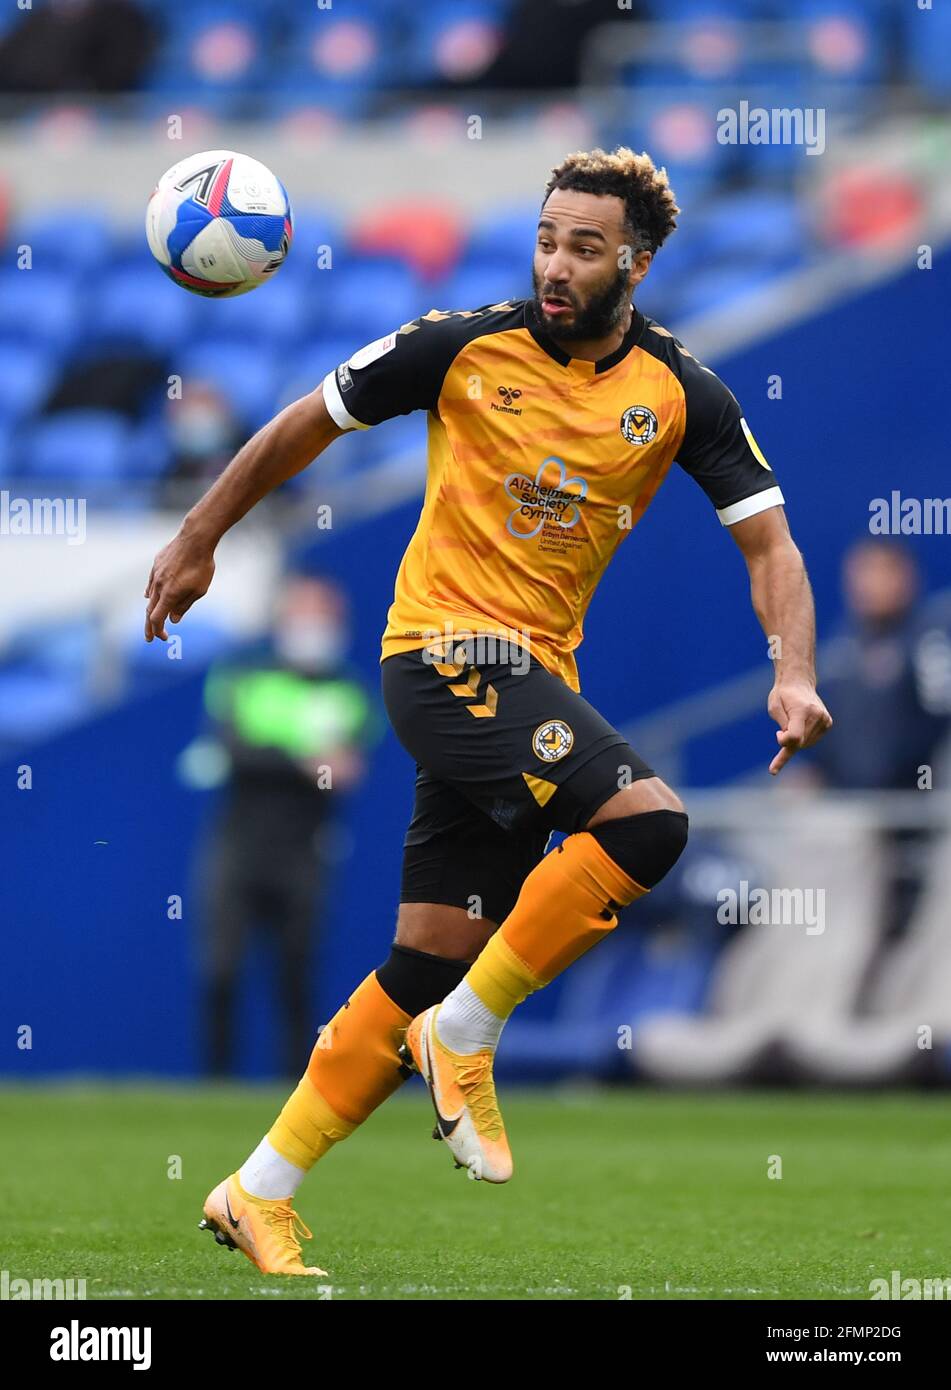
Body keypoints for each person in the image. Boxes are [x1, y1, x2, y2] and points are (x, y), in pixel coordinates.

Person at [143, 146, 832, 1276]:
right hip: (442, 654)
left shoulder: (681, 394)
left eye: (586, 247)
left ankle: (255, 1189)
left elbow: (771, 541)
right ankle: (466, 1034)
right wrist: (199, 536)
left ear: (638, 265)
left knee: (429, 954)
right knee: (649, 825)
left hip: (532, 681)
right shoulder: (458, 345)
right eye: (548, 238)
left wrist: (794, 670)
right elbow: (302, 424)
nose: (556, 265)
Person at [195, 572, 377, 1079]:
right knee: (220, 969)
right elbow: (233, 750)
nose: (313, 626)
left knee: (296, 973)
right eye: (304, 615)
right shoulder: (242, 676)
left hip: (306, 848)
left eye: (323, 617)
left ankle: (296, 1093)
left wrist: (301, 762)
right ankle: (215, 1086)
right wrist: (302, 760)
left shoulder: (350, 691)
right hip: (237, 843)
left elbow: (349, 767)